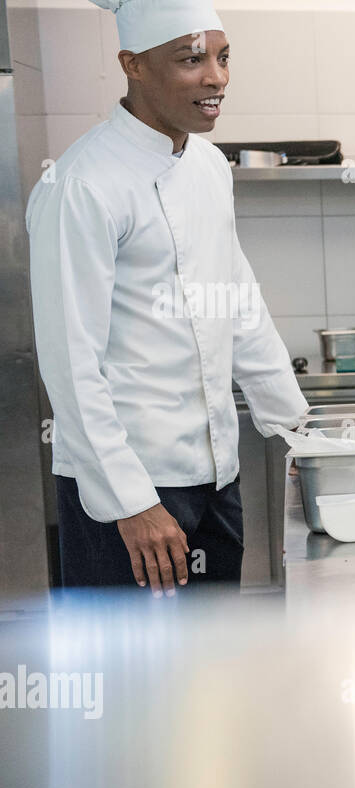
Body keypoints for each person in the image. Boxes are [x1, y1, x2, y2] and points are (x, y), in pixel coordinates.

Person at [27, 0, 308, 596]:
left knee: (205, 673)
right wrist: (132, 504)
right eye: (191, 59)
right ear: (132, 64)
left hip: (214, 476)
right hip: (128, 491)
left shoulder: (208, 166)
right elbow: (70, 362)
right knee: (132, 678)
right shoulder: (81, 185)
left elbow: (239, 305)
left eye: (223, 57)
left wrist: (302, 434)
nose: (216, 78)